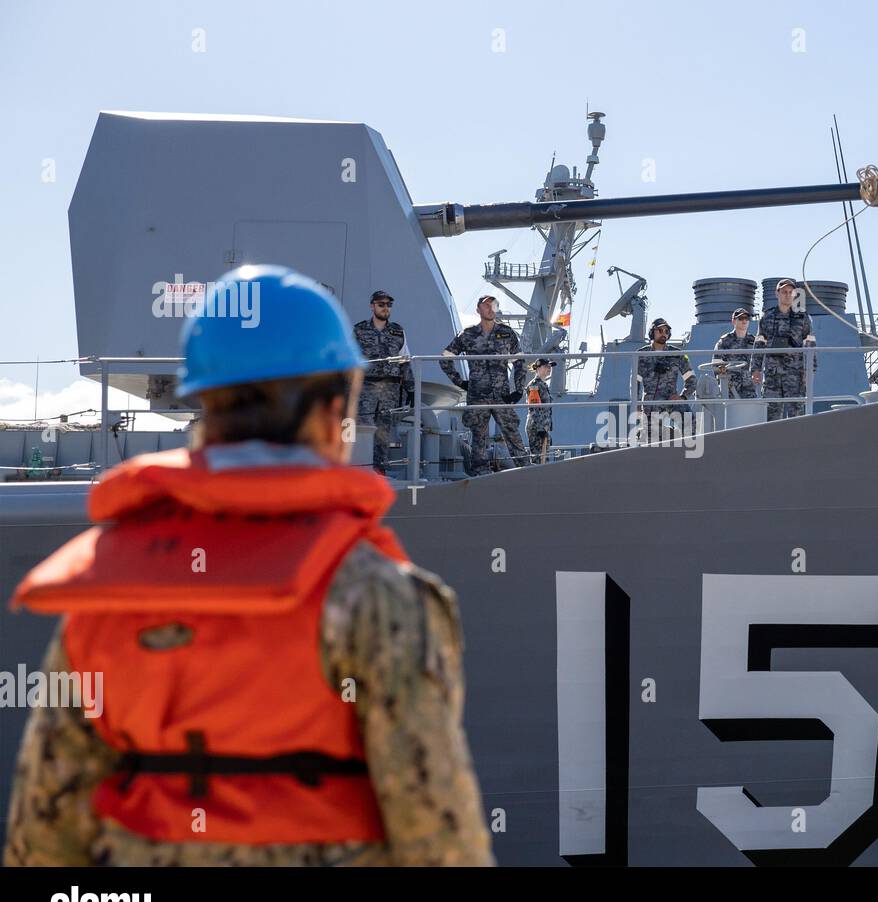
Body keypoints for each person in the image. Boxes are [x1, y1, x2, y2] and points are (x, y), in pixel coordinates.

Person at [4, 265, 493, 867]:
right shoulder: (378, 598)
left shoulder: (105, 595)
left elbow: (42, 835)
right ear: (329, 409)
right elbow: (438, 839)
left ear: (203, 403)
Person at [440, 295, 527, 475]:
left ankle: (526, 470)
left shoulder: (506, 333)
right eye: (486, 306)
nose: (490, 309)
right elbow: (445, 358)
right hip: (477, 395)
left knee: (511, 432)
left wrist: (518, 390)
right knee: (479, 436)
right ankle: (480, 474)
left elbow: (519, 361)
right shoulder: (468, 335)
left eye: (493, 305)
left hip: (501, 395)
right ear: (478, 310)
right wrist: (461, 382)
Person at [353, 290, 413, 474]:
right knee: (364, 429)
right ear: (372, 306)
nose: (385, 308)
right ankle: (362, 470)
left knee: (384, 431)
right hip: (366, 389)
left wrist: (411, 390)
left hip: (390, 389)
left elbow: (405, 361)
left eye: (389, 305)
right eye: (381, 304)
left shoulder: (398, 332)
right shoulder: (359, 330)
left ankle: (380, 471)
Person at [750, 279, 815, 420]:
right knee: (771, 416)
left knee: (797, 415)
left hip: (795, 374)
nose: (787, 294)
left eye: (790, 292)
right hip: (772, 374)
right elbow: (759, 343)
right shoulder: (767, 317)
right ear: (777, 294)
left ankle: (798, 442)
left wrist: (810, 370)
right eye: (784, 292)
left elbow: (810, 344)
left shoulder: (803, 318)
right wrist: (756, 369)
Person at [637, 318, 696, 437]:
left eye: (666, 331)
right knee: (651, 437)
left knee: (690, 423)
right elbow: (635, 383)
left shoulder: (677, 354)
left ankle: (688, 451)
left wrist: (683, 397)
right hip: (651, 402)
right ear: (652, 332)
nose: (664, 333)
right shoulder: (641, 355)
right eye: (660, 330)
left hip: (671, 399)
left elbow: (691, 379)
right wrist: (637, 406)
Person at [713, 308, 757, 400]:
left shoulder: (754, 341)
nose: (744, 321)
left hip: (749, 388)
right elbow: (716, 365)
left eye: (747, 318)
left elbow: (759, 362)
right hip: (730, 389)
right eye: (740, 318)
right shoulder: (724, 341)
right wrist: (723, 383)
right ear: (733, 321)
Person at [525, 357, 555, 465]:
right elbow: (534, 410)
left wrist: (547, 429)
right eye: (546, 366)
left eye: (550, 367)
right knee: (537, 460)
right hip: (536, 427)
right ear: (538, 368)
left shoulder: (543, 385)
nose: (549, 368)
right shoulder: (534, 385)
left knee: (544, 460)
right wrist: (540, 429)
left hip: (543, 427)